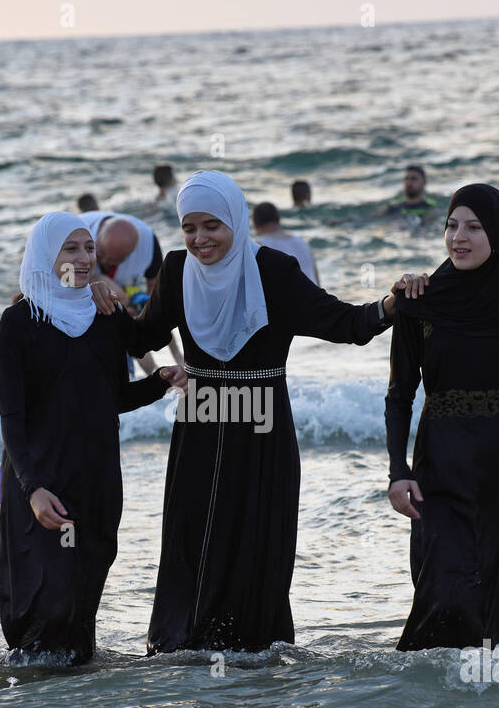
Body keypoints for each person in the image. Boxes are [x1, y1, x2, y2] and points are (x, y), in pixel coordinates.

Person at [90, 170, 398, 655]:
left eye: (212, 225)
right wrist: (94, 296)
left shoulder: (273, 270)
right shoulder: (175, 271)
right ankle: (184, 645)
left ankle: (250, 649)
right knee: (193, 533)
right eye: (189, 227)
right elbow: (142, 337)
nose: (200, 239)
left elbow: (343, 323)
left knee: (256, 535)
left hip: (262, 427)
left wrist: (389, 305)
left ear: (235, 218)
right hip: (200, 423)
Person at [0, 213, 184, 663]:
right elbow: (11, 415)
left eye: (89, 248)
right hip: (43, 481)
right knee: (43, 609)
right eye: (71, 248)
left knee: (81, 613)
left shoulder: (106, 316)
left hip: (97, 478)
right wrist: (31, 489)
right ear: (46, 255)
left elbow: (113, 399)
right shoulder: (18, 321)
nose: (84, 257)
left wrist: (162, 380)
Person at [386, 183, 499, 651]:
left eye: (473, 226)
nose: (458, 237)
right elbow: (399, 394)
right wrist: (397, 471)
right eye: (451, 226)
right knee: (444, 606)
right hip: (441, 472)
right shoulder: (420, 300)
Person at [81, 210, 183, 369]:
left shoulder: (147, 243)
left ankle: (178, 358)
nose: (105, 261)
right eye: (100, 254)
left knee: (152, 311)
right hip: (93, 288)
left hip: (129, 289)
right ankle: (154, 374)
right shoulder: (75, 235)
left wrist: (144, 312)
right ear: (97, 238)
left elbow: (157, 293)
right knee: (125, 325)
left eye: (114, 260)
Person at [252, 202, 319, 285]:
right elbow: (317, 281)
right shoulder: (302, 242)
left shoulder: (259, 246)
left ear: (254, 224)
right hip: (314, 296)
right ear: (279, 219)